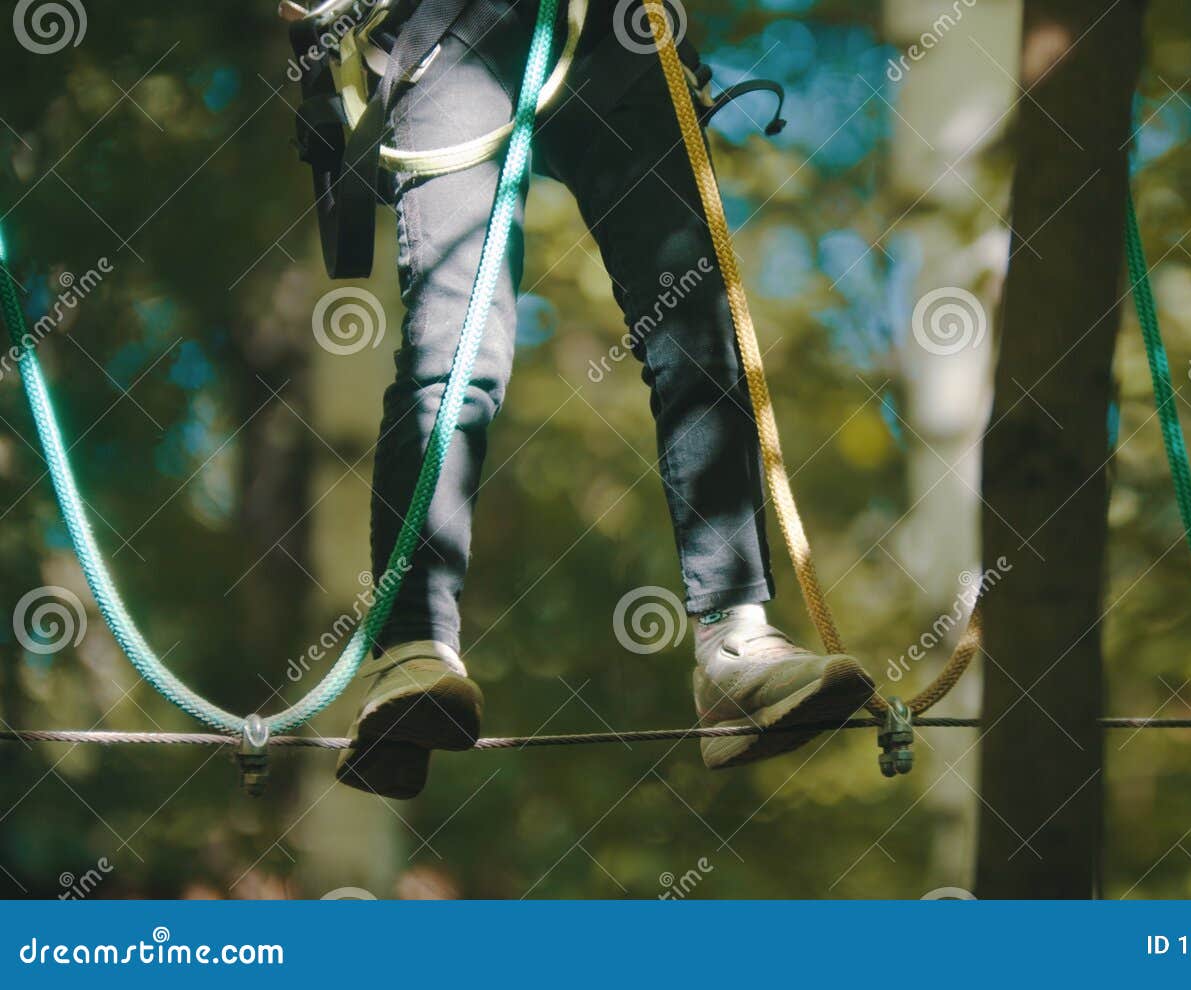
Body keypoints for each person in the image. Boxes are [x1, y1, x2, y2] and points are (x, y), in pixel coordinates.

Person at [332, 0, 875, 799]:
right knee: (458, 346)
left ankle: (737, 647)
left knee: (695, 323)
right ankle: (411, 653)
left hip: (616, 27)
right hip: (445, 27)